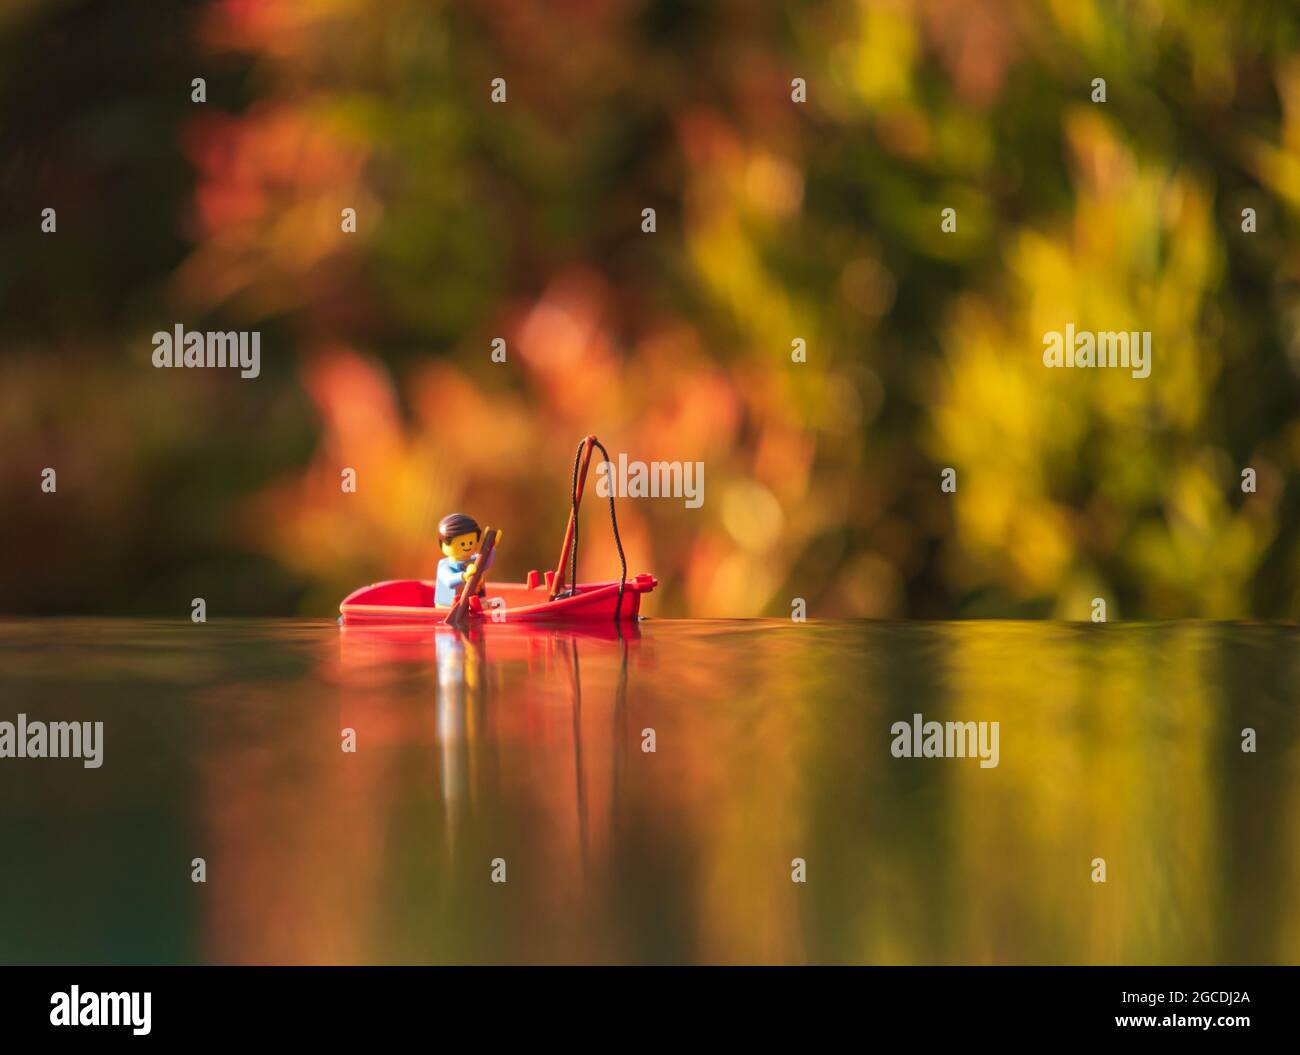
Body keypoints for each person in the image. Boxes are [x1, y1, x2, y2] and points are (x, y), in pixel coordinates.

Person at [434, 513, 483, 607]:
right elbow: (449, 580)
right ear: (443, 544)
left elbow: (487, 562)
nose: (467, 546)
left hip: (475, 602)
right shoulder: (444, 565)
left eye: (471, 542)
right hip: (448, 606)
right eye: (463, 544)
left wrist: (491, 547)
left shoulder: (475, 560)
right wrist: (464, 576)